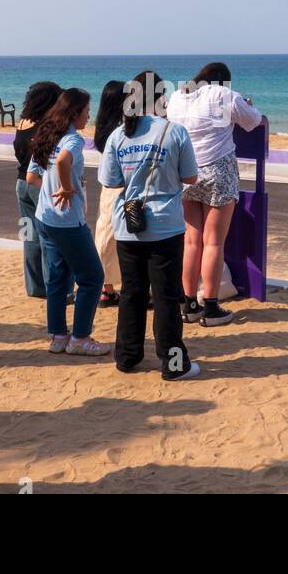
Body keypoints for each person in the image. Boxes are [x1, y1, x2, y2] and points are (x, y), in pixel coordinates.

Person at [98, 71, 201, 380]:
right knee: (167, 296)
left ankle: (127, 358)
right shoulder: (175, 132)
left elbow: (111, 181)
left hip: (129, 226)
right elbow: (191, 177)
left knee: (132, 292)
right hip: (165, 227)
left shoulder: (119, 135)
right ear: (159, 97)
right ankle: (172, 365)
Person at [165, 62, 262, 327]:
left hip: (186, 173)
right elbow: (253, 120)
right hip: (218, 171)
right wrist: (247, 103)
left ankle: (189, 305)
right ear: (223, 81)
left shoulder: (176, 97)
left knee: (191, 242)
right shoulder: (224, 95)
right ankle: (210, 306)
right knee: (214, 243)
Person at [25, 88, 109, 356]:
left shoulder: (47, 137)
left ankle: (59, 336)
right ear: (74, 113)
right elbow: (62, 161)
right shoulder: (72, 140)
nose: (89, 116)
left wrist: (56, 188)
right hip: (67, 222)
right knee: (92, 277)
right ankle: (80, 338)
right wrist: (66, 187)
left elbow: (31, 177)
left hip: (44, 217)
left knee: (57, 279)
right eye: (86, 110)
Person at [13, 81, 62, 299]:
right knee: (48, 237)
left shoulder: (23, 122)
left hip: (21, 183)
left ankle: (34, 287)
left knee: (29, 235)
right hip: (39, 184)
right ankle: (53, 287)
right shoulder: (46, 125)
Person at [91, 80, 126, 307]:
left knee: (105, 232)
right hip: (123, 183)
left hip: (108, 185)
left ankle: (106, 288)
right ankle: (113, 287)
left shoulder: (102, 126)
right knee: (124, 235)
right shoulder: (123, 127)